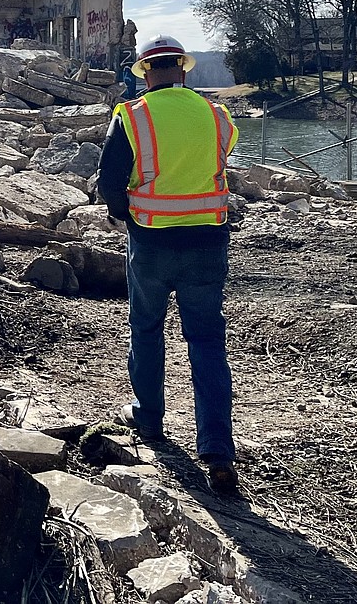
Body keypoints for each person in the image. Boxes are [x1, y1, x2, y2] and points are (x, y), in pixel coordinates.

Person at [96, 33, 241, 494]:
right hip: (207, 242)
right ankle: (218, 449)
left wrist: (129, 216)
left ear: (143, 73)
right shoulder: (217, 115)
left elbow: (110, 183)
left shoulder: (132, 116)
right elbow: (218, 161)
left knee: (146, 328)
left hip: (152, 240)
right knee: (206, 339)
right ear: (183, 68)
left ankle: (149, 421)